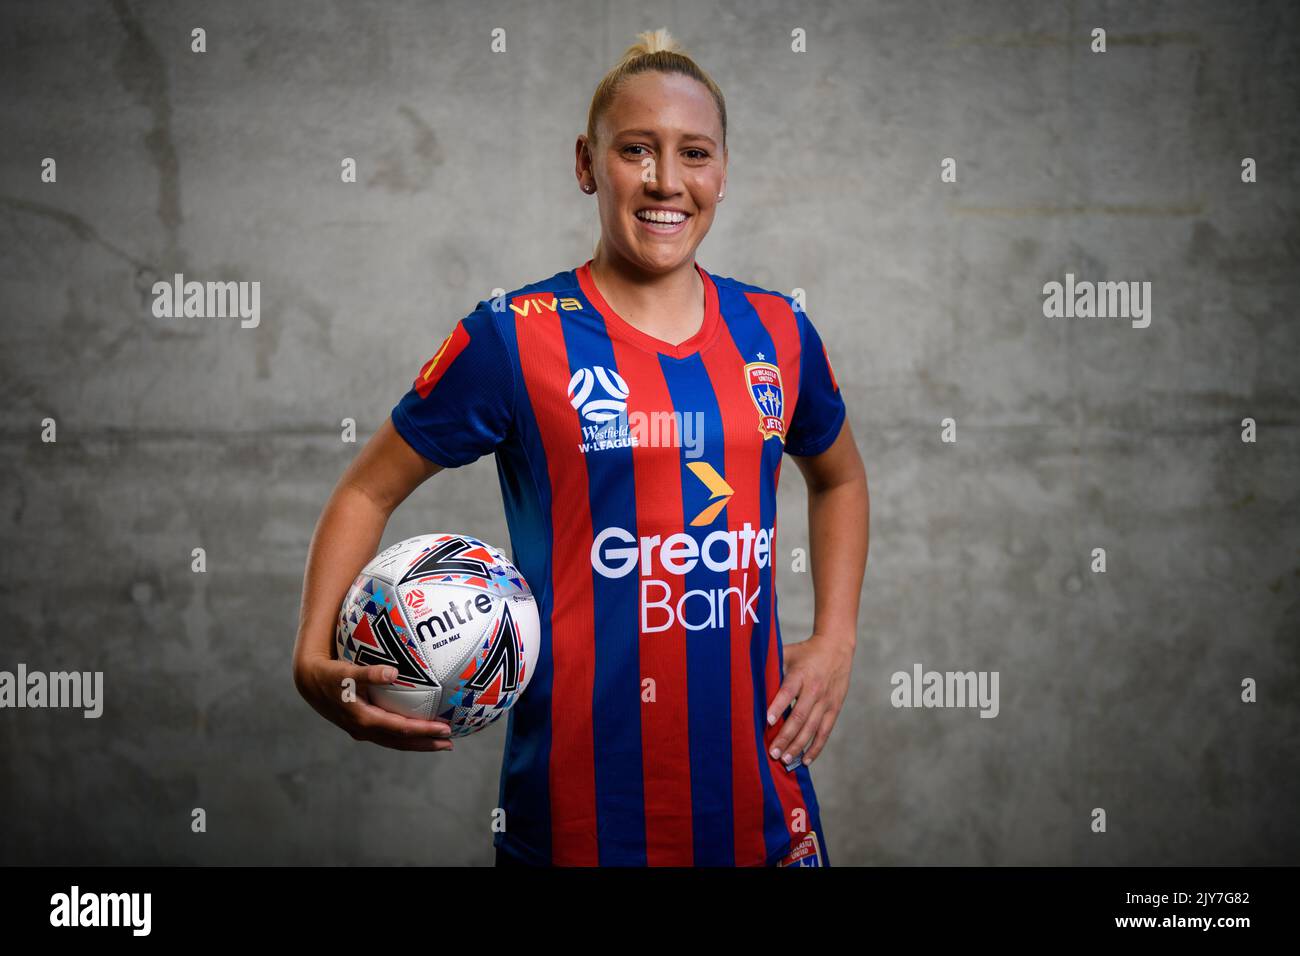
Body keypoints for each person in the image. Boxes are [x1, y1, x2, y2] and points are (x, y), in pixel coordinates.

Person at [293, 27, 870, 867]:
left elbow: (842, 478)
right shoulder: (513, 339)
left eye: (694, 153)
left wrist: (837, 635)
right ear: (586, 164)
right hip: (575, 819)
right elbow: (364, 492)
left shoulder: (778, 331)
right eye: (636, 150)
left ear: (722, 171)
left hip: (761, 807)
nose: (666, 180)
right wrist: (313, 653)